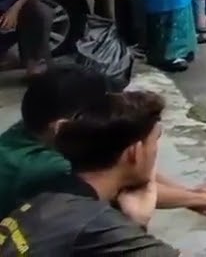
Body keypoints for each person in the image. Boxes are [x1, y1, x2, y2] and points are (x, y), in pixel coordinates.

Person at [0, 66, 206, 217]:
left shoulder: (33, 127)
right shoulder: (47, 167)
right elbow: (119, 179)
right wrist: (199, 198)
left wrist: (189, 192)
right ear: (61, 125)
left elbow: (124, 160)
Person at [0, 89, 187, 255]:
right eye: (155, 142)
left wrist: (135, 222)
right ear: (135, 153)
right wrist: (134, 224)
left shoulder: (47, 195)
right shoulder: (96, 222)